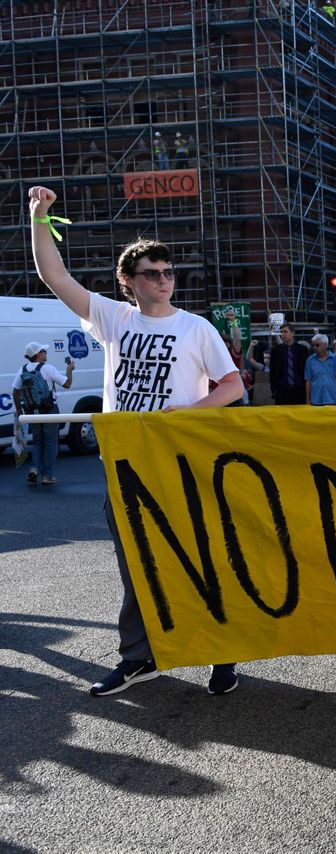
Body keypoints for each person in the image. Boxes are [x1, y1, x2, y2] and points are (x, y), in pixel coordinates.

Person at [28, 184, 244, 697]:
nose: (164, 281)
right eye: (152, 273)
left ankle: (222, 653)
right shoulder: (113, 317)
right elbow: (53, 276)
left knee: (198, 558)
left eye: (169, 273)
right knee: (136, 565)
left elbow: (232, 385)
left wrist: (188, 412)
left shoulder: (197, 328)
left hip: (180, 460)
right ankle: (138, 658)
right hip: (125, 463)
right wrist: (39, 217)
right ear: (129, 282)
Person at [12, 341, 73, 485]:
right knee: (50, 444)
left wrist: (19, 409)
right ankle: (48, 476)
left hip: (31, 411)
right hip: (49, 410)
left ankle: (33, 469)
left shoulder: (22, 370)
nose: (46, 353)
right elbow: (67, 384)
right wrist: (70, 370)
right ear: (38, 355)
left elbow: (15, 391)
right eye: (44, 351)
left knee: (38, 442)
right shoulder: (48, 368)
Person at [269, 323, 310, 405]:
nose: (283, 334)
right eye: (281, 332)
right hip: (282, 391)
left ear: (292, 333)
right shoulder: (276, 351)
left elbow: (307, 370)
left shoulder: (302, 350)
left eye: (285, 332)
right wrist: (274, 390)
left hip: (299, 390)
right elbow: (272, 372)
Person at [304, 333, 336, 405]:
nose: (314, 347)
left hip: (333, 398)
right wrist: (308, 400)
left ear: (325, 345)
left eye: (317, 345)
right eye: (313, 345)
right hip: (316, 400)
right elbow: (308, 381)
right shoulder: (310, 361)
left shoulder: (335, 359)